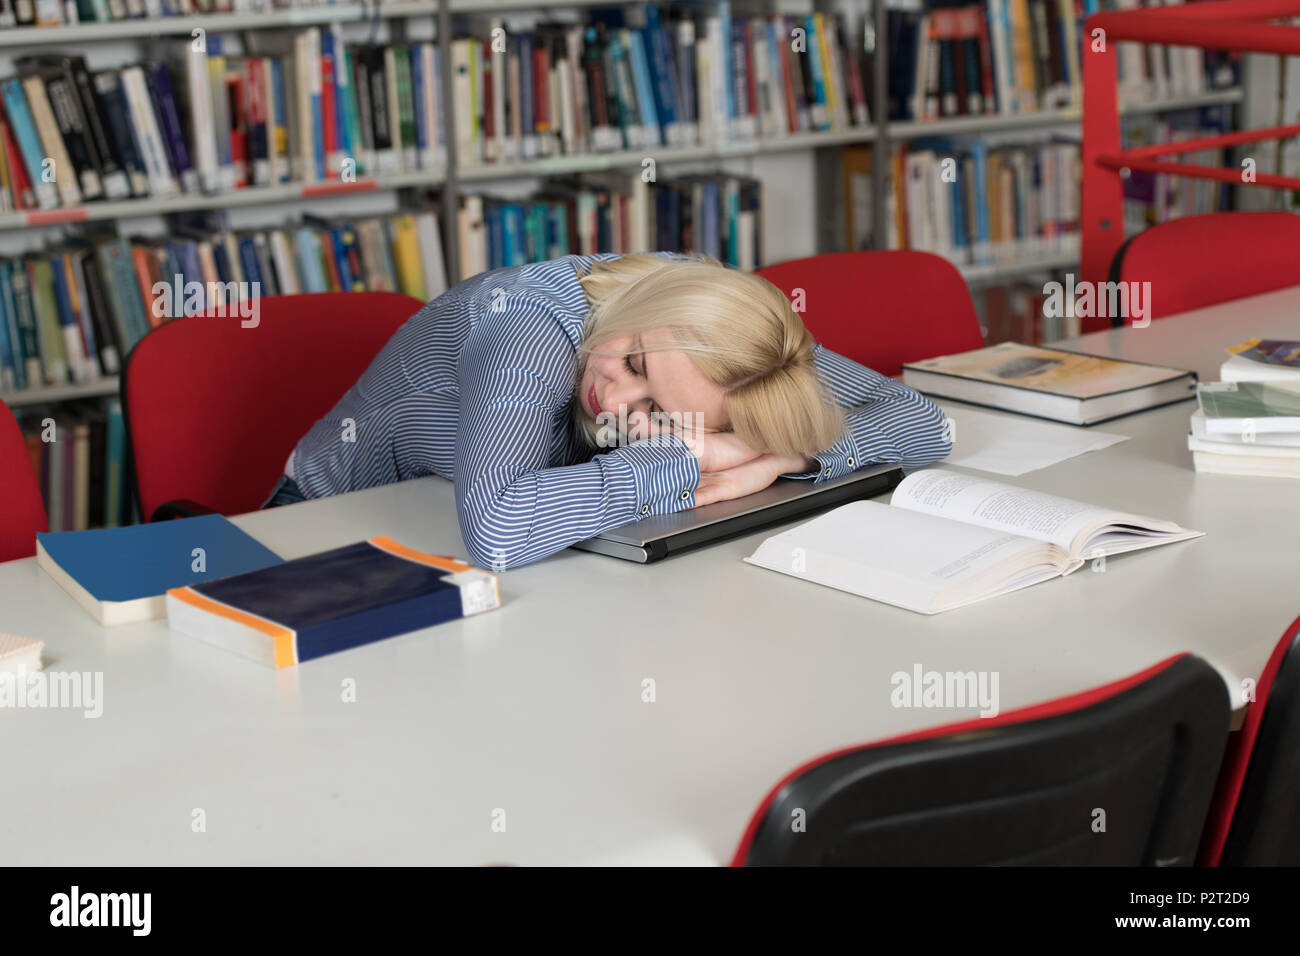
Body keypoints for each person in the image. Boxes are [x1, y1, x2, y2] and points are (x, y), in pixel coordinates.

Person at [263, 253, 952, 570]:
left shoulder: (726, 328)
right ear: (648, 311)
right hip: (319, 535)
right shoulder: (527, 329)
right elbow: (501, 529)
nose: (616, 402)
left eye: (660, 410)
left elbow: (922, 421)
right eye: (637, 364)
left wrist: (781, 455)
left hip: (457, 529)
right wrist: (693, 453)